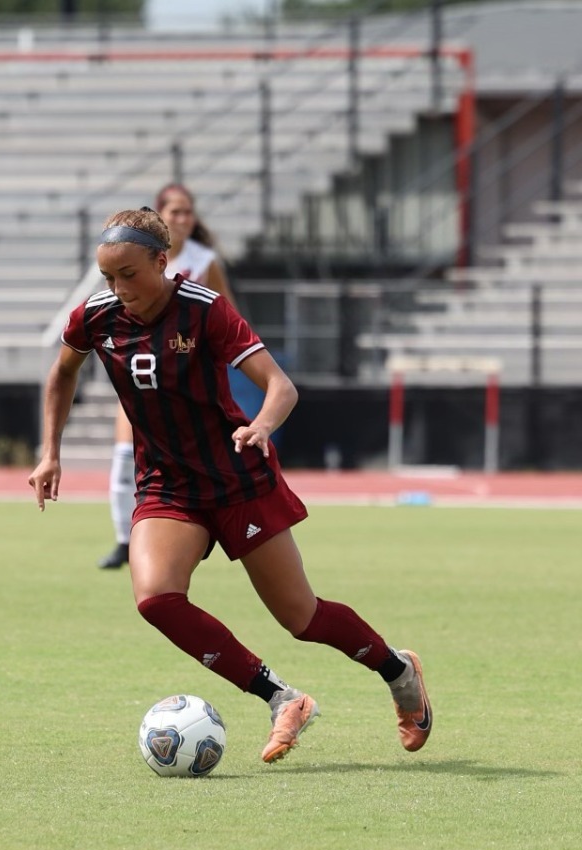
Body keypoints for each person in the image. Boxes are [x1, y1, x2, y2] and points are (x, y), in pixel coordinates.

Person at [30, 208, 432, 763]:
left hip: (236, 477)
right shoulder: (96, 317)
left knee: (302, 618)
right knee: (156, 599)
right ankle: (281, 698)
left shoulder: (204, 310)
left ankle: (399, 671)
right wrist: (51, 451)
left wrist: (261, 426)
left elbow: (280, 387)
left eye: (129, 274)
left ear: (161, 262)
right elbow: (62, 374)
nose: (118, 289)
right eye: (108, 277)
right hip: (167, 485)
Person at [96, 183, 239, 571]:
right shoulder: (131, 260)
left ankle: (203, 529)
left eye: (187, 213)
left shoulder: (202, 260)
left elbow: (228, 317)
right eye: (174, 213)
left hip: (187, 383)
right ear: (159, 218)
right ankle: (124, 540)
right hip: (141, 377)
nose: (182, 220)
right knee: (125, 457)